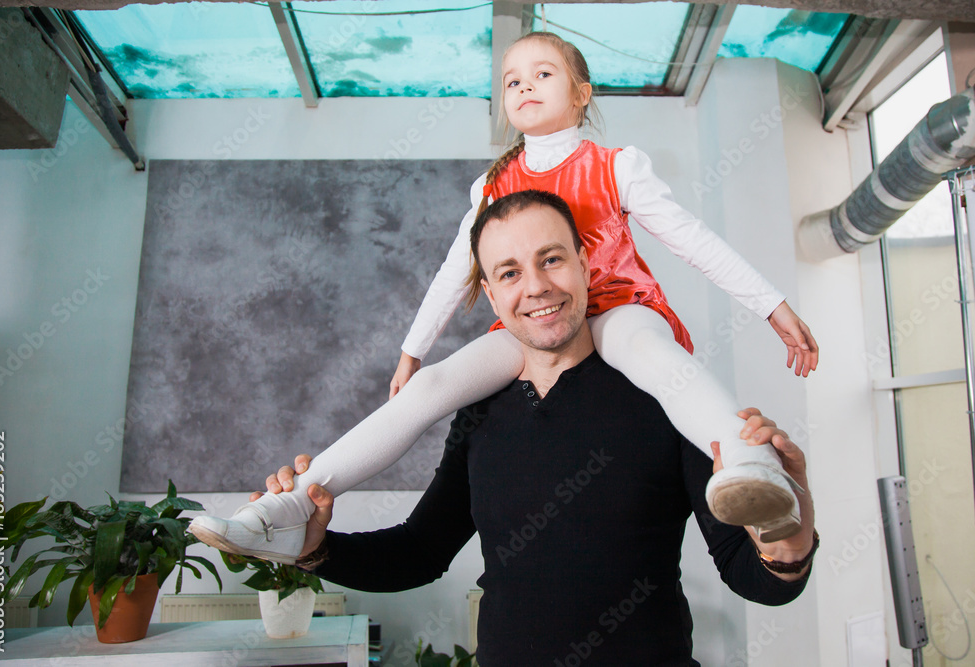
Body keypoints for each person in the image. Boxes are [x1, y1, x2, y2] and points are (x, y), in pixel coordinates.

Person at [190, 31, 819, 564]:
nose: (522, 86)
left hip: (618, 305)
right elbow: (452, 270)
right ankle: (293, 505)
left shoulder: (616, 165)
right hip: (530, 331)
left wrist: (772, 305)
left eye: (542, 73)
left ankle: (748, 463)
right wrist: (413, 352)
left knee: (657, 359)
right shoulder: (492, 184)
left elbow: (692, 238)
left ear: (581, 93)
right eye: (511, 79)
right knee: (431, 390)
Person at [255, 190, 818, 666]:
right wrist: (315, 549)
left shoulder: (663, 395)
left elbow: (754, 578)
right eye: (509, 272)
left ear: (585, 263)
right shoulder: (479, 412)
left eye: (552, 260)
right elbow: (420, 552)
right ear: (492, 295)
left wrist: (790, 537)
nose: (537, 286)